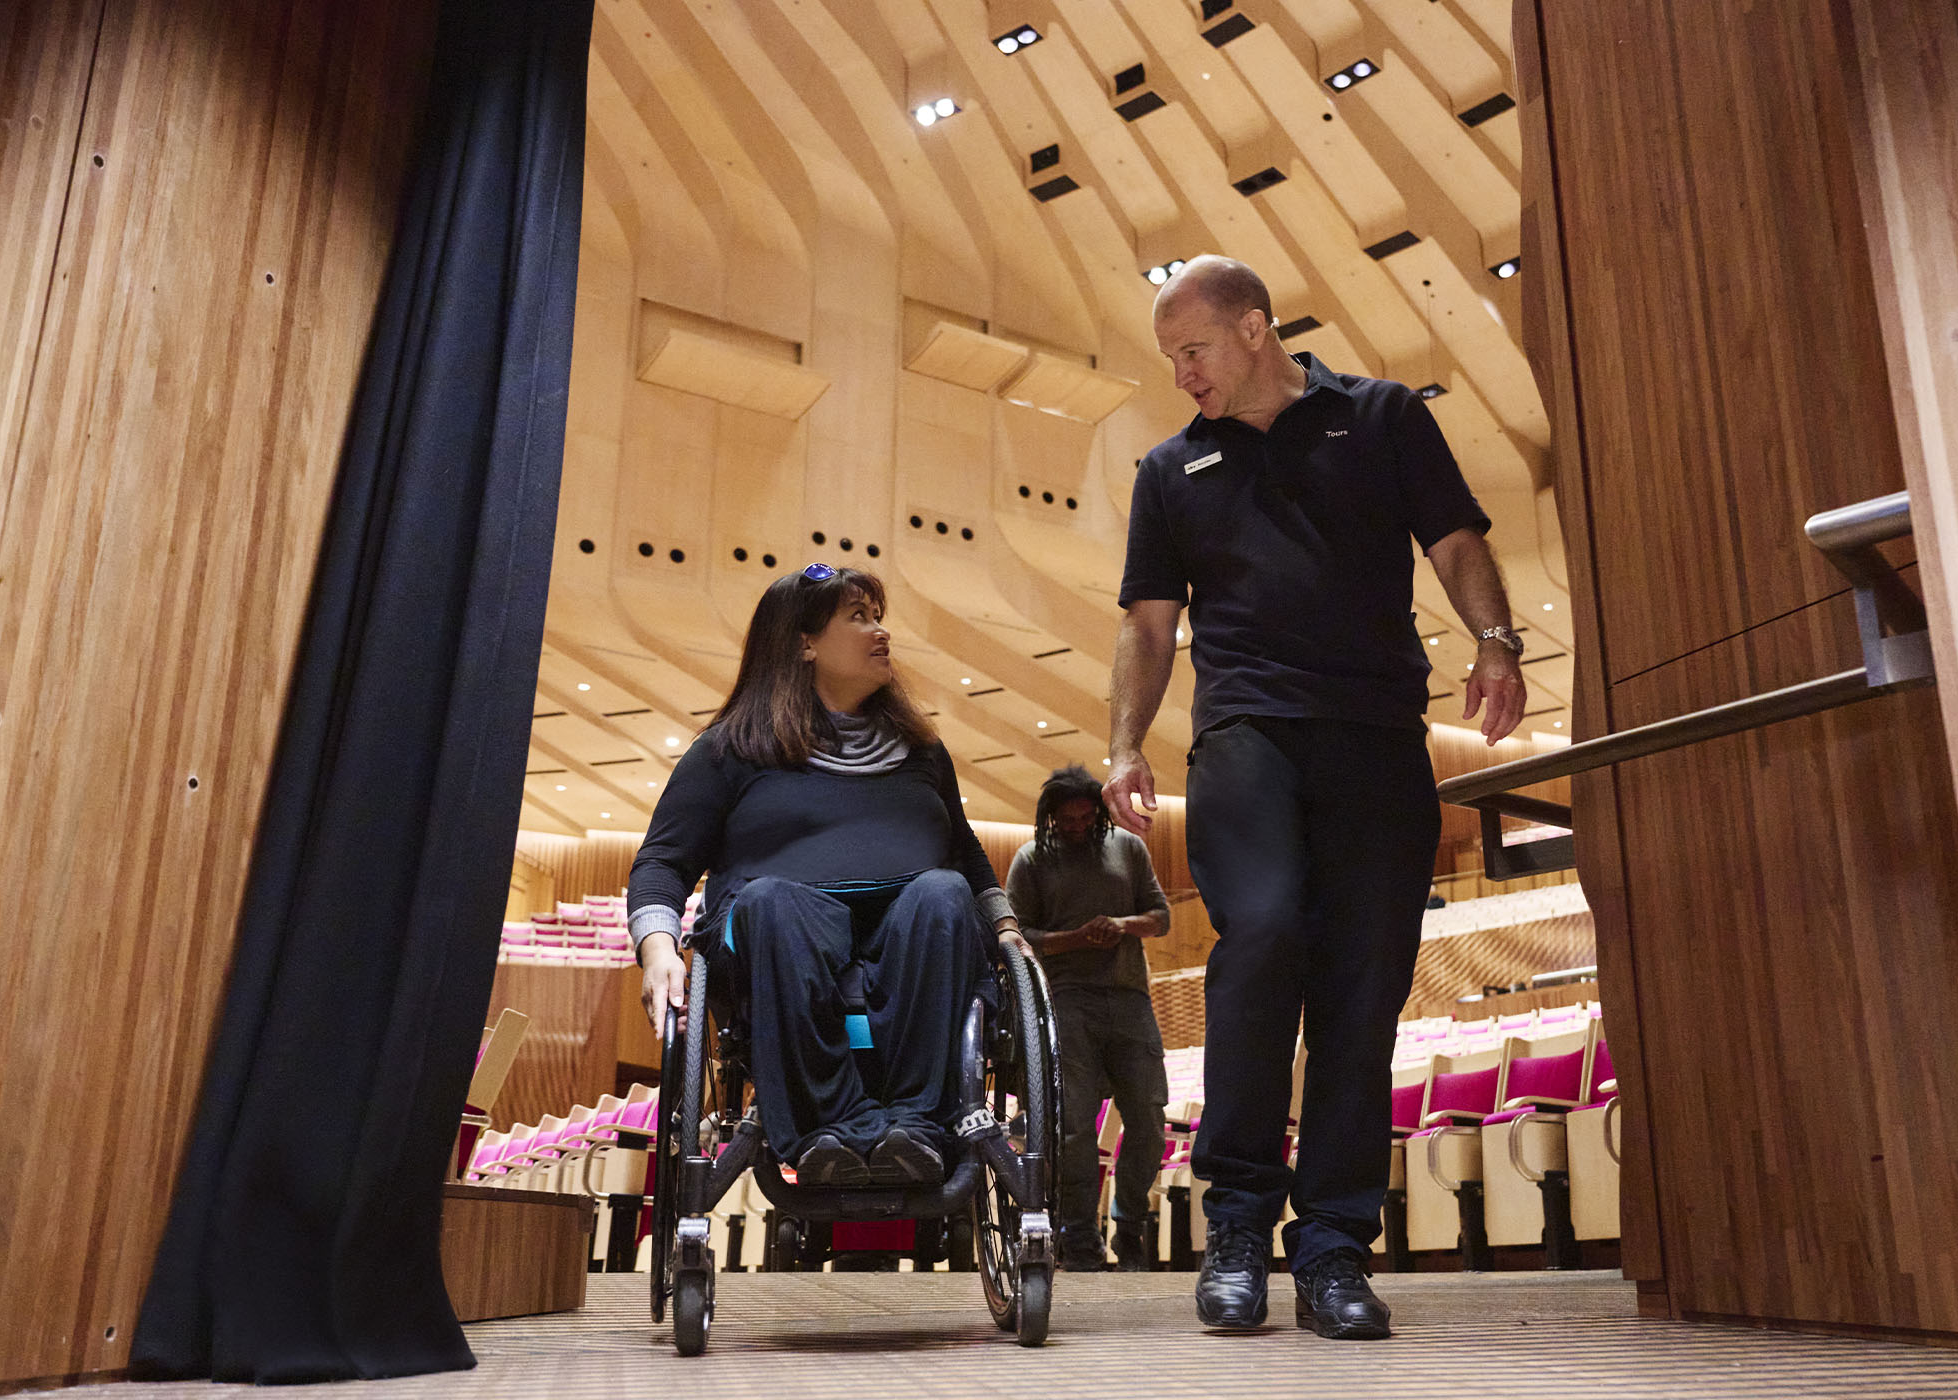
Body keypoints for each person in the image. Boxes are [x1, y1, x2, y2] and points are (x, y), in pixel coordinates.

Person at [1104, 256, 1527, 1340]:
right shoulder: (1171, 468)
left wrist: (1494, 641)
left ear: (1252, 328)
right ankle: (1238, 1225)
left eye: (1192, 348)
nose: (1182, 373)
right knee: (1265, 933)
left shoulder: (1378, 417)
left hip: (1379, 734)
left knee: (1363, 980)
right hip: (1246, 730)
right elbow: (1149, 623)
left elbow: (1456, 539)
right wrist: (1123, 743)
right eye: (1170, 358)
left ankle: (1334, 1245)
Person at [627, 563, 1019, 1189]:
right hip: (778, 934)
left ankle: (915, 1126)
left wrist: (1004, 925)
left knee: (943, 892)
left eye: (878, 615)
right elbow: (663, 862)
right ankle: (825, 1130)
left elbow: (963, 850)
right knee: (774, 902)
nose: (880, 631)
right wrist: (656, 948)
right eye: (859, 617)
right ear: (804, 643)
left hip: (916, 935)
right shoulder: (732, 747)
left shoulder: (921, 749)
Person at [1007, 765, 1172, 1272]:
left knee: (1147, 1116)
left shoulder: (1128, 848)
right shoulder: (1031, 858)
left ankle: (1129, 1226)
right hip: (1066, 1001)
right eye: (1066, 820)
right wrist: (1075, 938)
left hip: (1128, 997)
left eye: (1085, 817)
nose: (1077, 826)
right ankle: (1078, 1237)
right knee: (1075, 1127)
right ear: (1050, 819)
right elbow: (1016, 936)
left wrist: (1120, 925)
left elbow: (1160, 918)